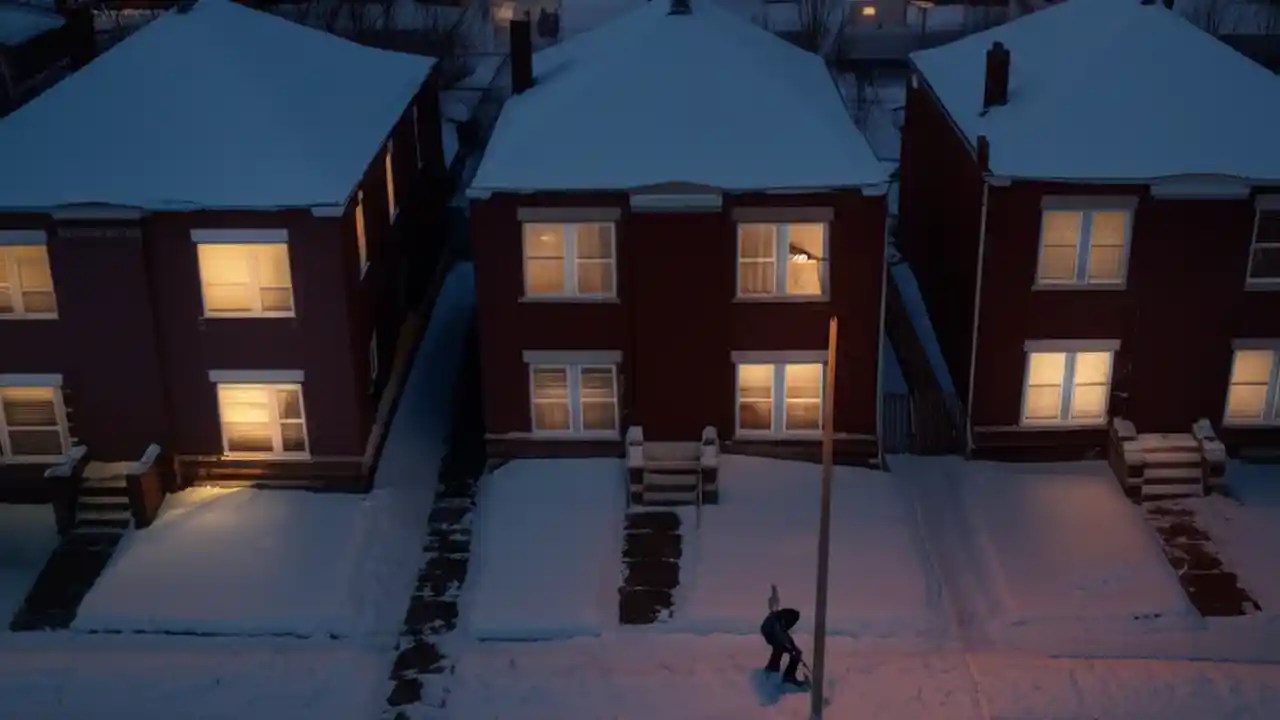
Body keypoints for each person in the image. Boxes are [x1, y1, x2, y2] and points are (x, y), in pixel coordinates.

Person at [760, 607, 806, 687]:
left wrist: (793, 647)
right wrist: (792, 649)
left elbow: (784, 634)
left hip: (771, 632)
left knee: (785, 650)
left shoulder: (779, 618)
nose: (792, 626)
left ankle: (775, 672)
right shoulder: (778, 621)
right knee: (780, 649)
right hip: (771, 632)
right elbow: (781, 634)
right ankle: (782, 675)